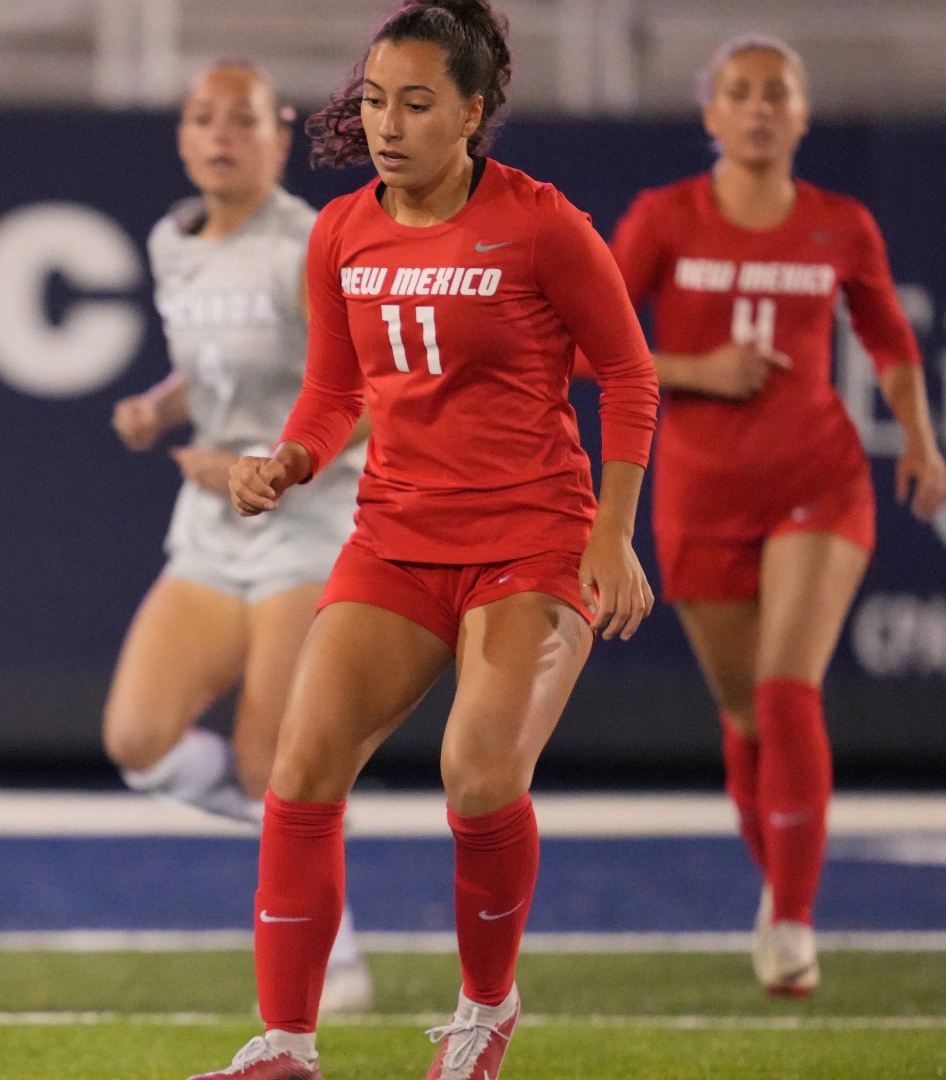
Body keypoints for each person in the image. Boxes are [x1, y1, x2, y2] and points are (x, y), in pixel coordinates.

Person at [185, 1, 661, 1077]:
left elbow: (628, 374)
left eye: (416, 103)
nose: (388, 124)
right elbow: (332, 393)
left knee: (480, 773)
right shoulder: (343, 232)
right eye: (373, 102)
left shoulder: (542, 224)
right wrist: (290, 458)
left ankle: (487, 1008)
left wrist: (616, 535)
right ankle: (286, 1047)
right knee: (300, 769)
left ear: (472, 111)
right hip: (397, 536)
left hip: (531, 538)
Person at [606, 35, 946, 998]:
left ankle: (793, 919)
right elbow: (593, 346)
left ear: (801, 115)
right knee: (746, 711)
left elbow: (887, 336)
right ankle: (779, 886)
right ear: (711, 114)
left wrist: (918, 438)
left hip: (819, 479)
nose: (758, 108)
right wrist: (693, 371)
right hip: (702, 491)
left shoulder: (842, 225)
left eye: (777, 94)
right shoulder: (664, 219)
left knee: (789, 687)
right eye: (740, 93)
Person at [106, 61, 375, 1013]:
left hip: (308, 520)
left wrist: (263, 461)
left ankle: (332, 943)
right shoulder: (172, 241)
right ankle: (290, 840)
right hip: (216, 527)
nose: (220, 134)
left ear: (279, 133)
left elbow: (373, 400)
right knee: (138, 739)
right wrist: (158, 405)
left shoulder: (311, 245)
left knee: (278, 766)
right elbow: (211, 363)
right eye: (202, 117)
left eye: (242, 119)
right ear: (183, 136)